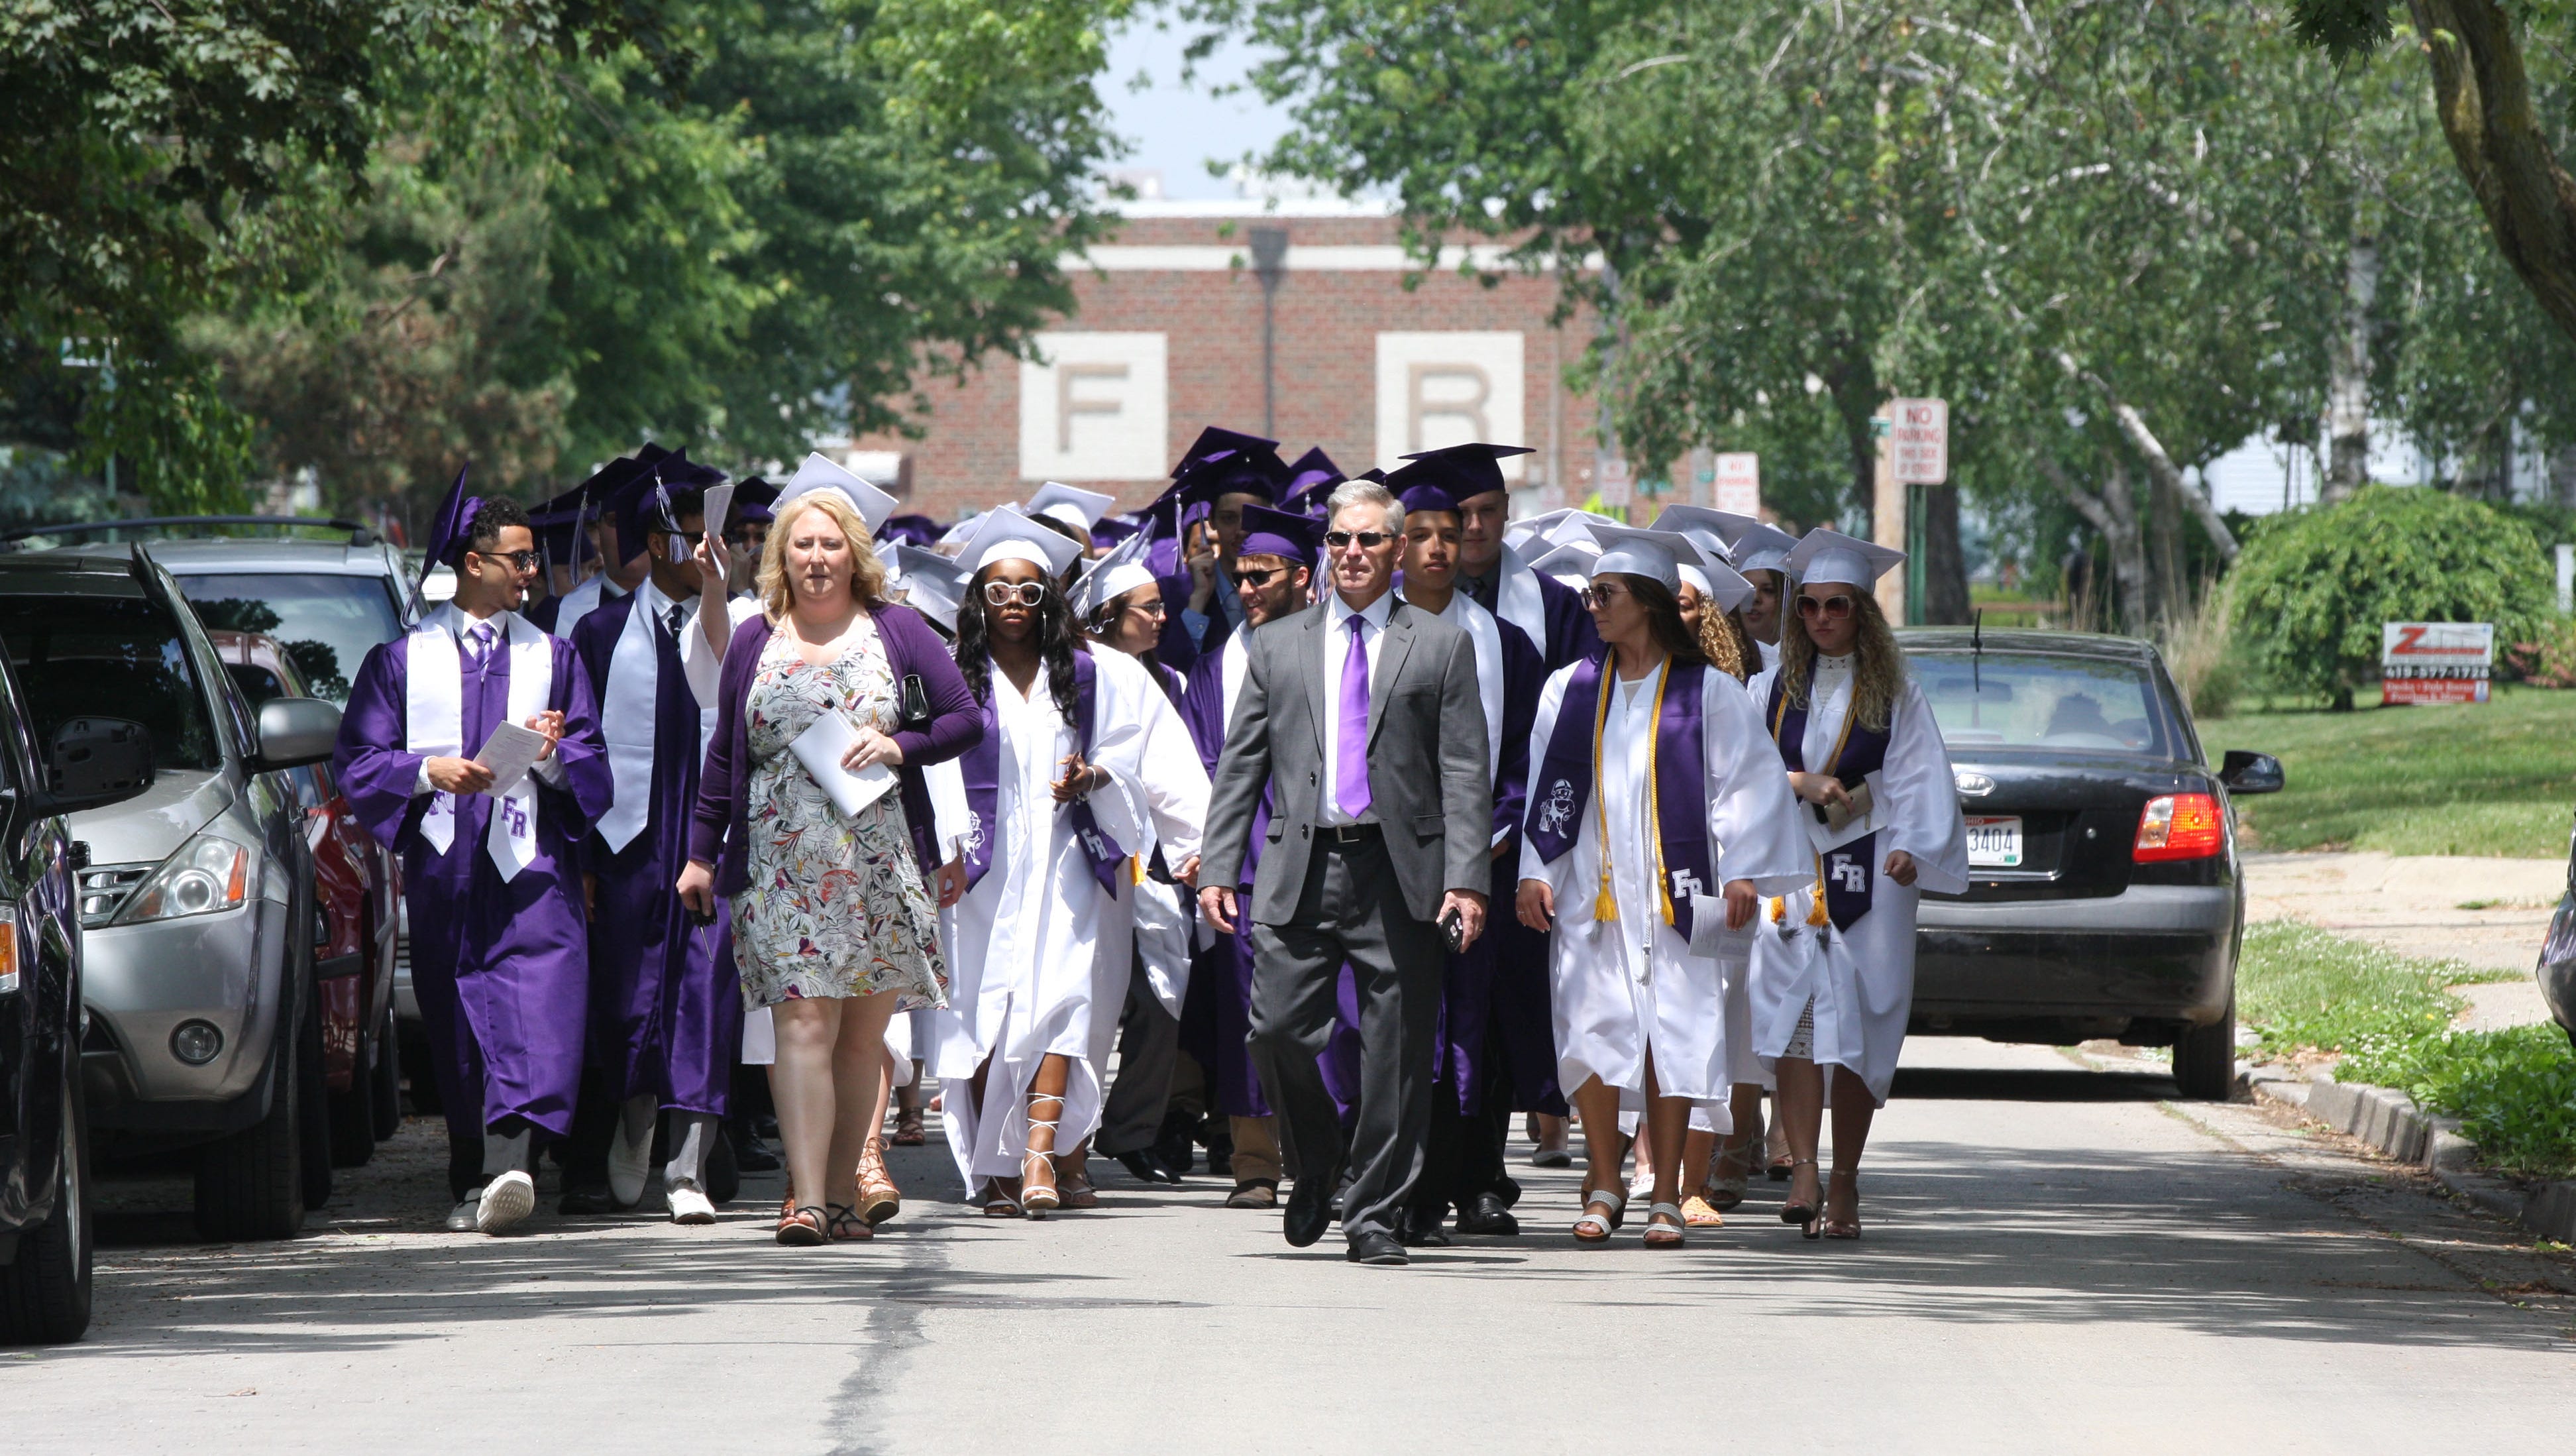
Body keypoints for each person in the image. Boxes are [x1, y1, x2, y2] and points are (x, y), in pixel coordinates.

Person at [676, 455, 980, 1245]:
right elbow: (723, 755)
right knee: (801, 1025)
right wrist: (702, 854)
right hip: (781, 863)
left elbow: (963, 718)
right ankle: (808, 1195)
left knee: (856, 1038)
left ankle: (845, 1190)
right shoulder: (754, 639)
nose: (816, 558)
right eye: (801, 544)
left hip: (876, 861)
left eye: (830, 545)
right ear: (781, 556)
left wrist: (897, 744)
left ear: (855, 553)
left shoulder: (896, 629)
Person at [1198, 479, 1493, 1268]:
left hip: (1402, 873)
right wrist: (1218, 864)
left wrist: (1466, 878)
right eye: (1339, 541)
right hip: (1301, 863)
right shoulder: (1280, 643)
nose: (1352, 554)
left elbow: (1465, 771)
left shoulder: (1439, 643)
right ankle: (1320, 1156)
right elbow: (1241, 765)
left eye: (1368, 541)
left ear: (1398, 551)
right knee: (1277, 1032)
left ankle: (1374, 1213)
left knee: (1397, 1049)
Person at [1512, 525, 1809, 1248]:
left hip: (1679, 892)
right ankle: (1606, 1180)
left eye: (1605, 595)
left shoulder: (1709, 692)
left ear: (1645, 602)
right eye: (1590, 595)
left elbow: (1750, 785)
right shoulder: (1570, 689)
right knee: (1591, 1029)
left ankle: (1669, 1191)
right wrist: (1532, 872)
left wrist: (1743, 869)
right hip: (1592, 890)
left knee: (1674, 1031)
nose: (1593, 607)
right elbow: (1547, 794)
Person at [335, 476, 610, 1234]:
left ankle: (511, 1164)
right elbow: (358, 759)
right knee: (460, 1020)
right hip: (448, 864)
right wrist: (430, 770)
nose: (532, 573)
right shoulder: (402, 661)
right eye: (519, 560)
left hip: (532, 868)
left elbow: (590, 759)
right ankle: (474, 1174)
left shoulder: (552, 656)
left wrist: (552, 755)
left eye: (532, 560)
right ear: (474, 563)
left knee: (543, 1002)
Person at [932, 508, 1207, 1217]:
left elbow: (1136, 752)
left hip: (1067, 862)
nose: (1015, 606)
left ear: (1051, 597)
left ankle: (1039, 1155)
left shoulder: (1095, 672)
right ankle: (996, 1160)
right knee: (987, 1014)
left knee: (1062, 1004)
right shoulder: (953, 675)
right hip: (981, 868)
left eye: (1031, 592)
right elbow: (929, 765)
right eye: (998, 592)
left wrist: (1099, 779)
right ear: (978, 599)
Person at [1746, 529, 1968, 1240]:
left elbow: (1919, 778)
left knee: (1862, 1027)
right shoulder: (1770, 688)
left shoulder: (1896, 691)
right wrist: (1797, 783)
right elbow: (1742, 775)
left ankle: (1846, 1179)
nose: (1820, 620)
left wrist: (1912, 845)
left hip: (1871, 873)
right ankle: (1805, 1169)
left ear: (1861, 611)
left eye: (1836, 605)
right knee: (1796, 1022)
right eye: (1807, 607)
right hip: (1789, 865)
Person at [562, 469, 763, 1222]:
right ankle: (634, 1119)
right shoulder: (600, 633)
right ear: (658, 542)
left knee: (707, 997)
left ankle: (688, 1164)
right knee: (626, 997)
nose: (717, 547)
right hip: (629, 848)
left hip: (713, 843)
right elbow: (581, 753)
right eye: (698, 532)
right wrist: (584, 858)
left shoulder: (743, 630)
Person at [1379, 464, 1549, 1244]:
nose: (1442, 547)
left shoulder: (1506, 644)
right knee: (1406, 1024)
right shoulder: (1365, 639)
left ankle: (1471, 1178)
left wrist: (1489, 835)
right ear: (1395, 547)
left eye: (1453, 534)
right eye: (1423, 535)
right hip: (1389, 862)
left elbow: (1524, 756)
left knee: (1475, 1027)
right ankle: (1401, 1182)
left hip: (1485, 858)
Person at [1173, 506, 1315, 1210]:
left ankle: (1323, 1152)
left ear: (1301, 577)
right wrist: (1213, 854)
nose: (1250, 587)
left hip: (1324, 856)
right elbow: (1201, 760)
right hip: (1249, 864)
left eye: (1264, 575)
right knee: (1247, 1015)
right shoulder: (1217, 664)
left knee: (1322, 1017)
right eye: (1242, 576)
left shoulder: (1337, 648)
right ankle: (1254, 1160)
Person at [1074, 537, 1207, 1186]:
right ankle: (1051, 1135)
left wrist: (1194, 848)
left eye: (1163, 607)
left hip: (1146, 862)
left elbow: (1173, 774)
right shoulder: (1067, 672)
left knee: (1161, 996)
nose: (1161, 618)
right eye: (1147, 608)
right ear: (1106, 613)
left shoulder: (1170, 682)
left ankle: (1130, 1129)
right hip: (1073, 854)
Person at [1437, 447, 1599, 669]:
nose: (1475, 525)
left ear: (1506, 507)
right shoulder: (1407, 597)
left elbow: (1578, 693)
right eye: (1462, 512)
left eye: (1488, 510)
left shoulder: (1557, 605)